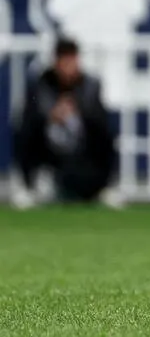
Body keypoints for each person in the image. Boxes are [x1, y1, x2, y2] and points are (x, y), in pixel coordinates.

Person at [10, 37, 119, 209]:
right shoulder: (40, 84)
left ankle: (103, 188)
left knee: (107, 135)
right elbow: (29, 115)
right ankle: (28, 186)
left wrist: (78, 111)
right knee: (23, 130)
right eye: (65, 61)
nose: (69, 66)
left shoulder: (91, 85)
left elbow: (100, 120)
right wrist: (52, 114)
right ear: (56, 62)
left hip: (80, 149)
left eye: (73, 60)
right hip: (48, 146)